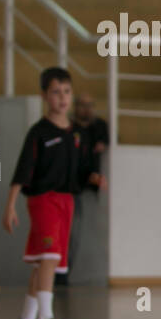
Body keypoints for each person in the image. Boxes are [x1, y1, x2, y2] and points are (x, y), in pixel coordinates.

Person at [3, 68, 102, 319]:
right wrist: (10, 205)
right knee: (49, 257)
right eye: (56, 92)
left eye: (67, 92)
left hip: (66, 202)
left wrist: (93, 177)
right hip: (44, 199)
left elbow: (81, 170)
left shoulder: (77, 135)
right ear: (44, 95)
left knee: (42, 263)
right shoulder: (38, 133)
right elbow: (22, 171)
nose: (62, 98)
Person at [60, 93, 110, 285]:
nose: (86, 109)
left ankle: (69, 273)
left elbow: (105, 141)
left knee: (83, 234)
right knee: (70, 233)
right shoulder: (70, 129)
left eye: (90, 105)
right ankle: (62, 274)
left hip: (92, 188)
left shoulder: (99, 127)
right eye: (82, 105)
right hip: (72, 187)